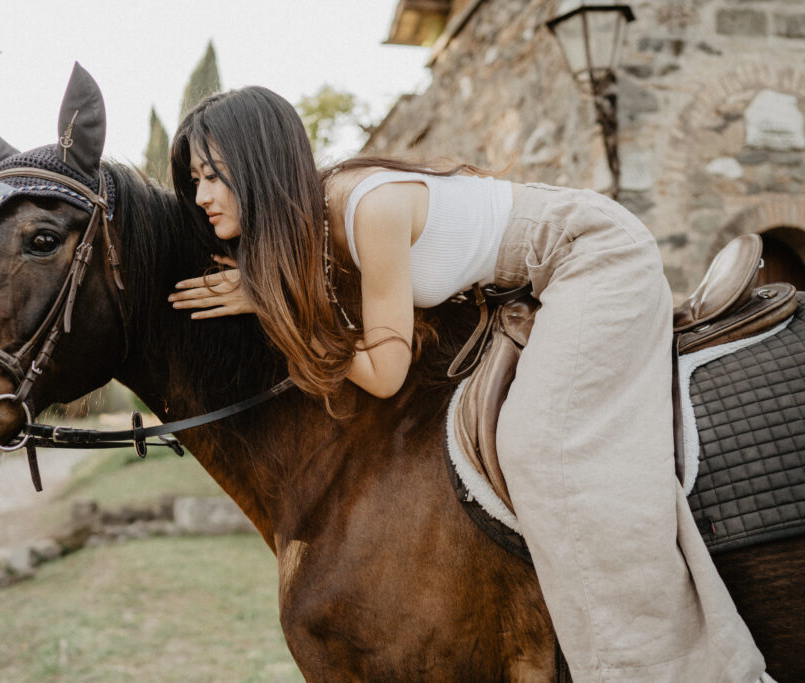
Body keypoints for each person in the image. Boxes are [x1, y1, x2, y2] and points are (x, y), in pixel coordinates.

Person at [166, 85, 765, 682]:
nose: (202, 196)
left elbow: (383, 372)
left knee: (539, 444)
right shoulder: (316, 228)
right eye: (195, 180)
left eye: (214, 175)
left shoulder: (361, 209)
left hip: (592, 256)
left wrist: (276, 309)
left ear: (257, 165)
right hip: (543, 277)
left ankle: (663, 664)